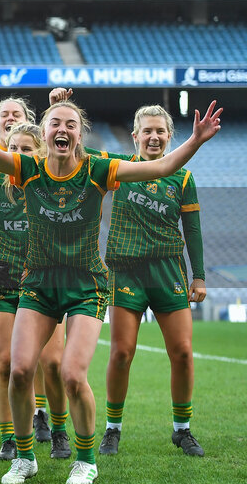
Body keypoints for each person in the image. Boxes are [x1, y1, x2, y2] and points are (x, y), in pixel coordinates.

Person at [0, 81, 221, 484]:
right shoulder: (27, 169)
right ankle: (24, 458)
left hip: (86, 286)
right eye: (55, 123)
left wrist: (194, 140)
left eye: (71, 124)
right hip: (38, 284)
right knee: (19, 371)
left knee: (71, 374)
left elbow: (160, 168)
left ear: (79, 134)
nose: (63, 129)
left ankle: (86, 460)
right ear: (45, 133)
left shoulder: (98, 170)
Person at [82, 103, 207, 458]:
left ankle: (182, 430)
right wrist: (56, 107)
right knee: (122, 352)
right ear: (135, 136)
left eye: (160, 131)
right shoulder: (118, 166)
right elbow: (77, 151)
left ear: (169, 136)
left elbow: (192, 229)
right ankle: (112, 429)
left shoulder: (183, 177)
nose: (154, 137)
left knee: (182, 352)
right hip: (126, 271)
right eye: (147, 131)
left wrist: (198, 276)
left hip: (168, 272)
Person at [0, 123, 48, 462]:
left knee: (40, 364)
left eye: (26, 148)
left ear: (40, 152)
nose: (17, 154)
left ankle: (51, 429)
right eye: (12, 147)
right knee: (5, 364)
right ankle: (9, 439)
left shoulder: (50, 184)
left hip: (40, 283)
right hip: (2, 280)